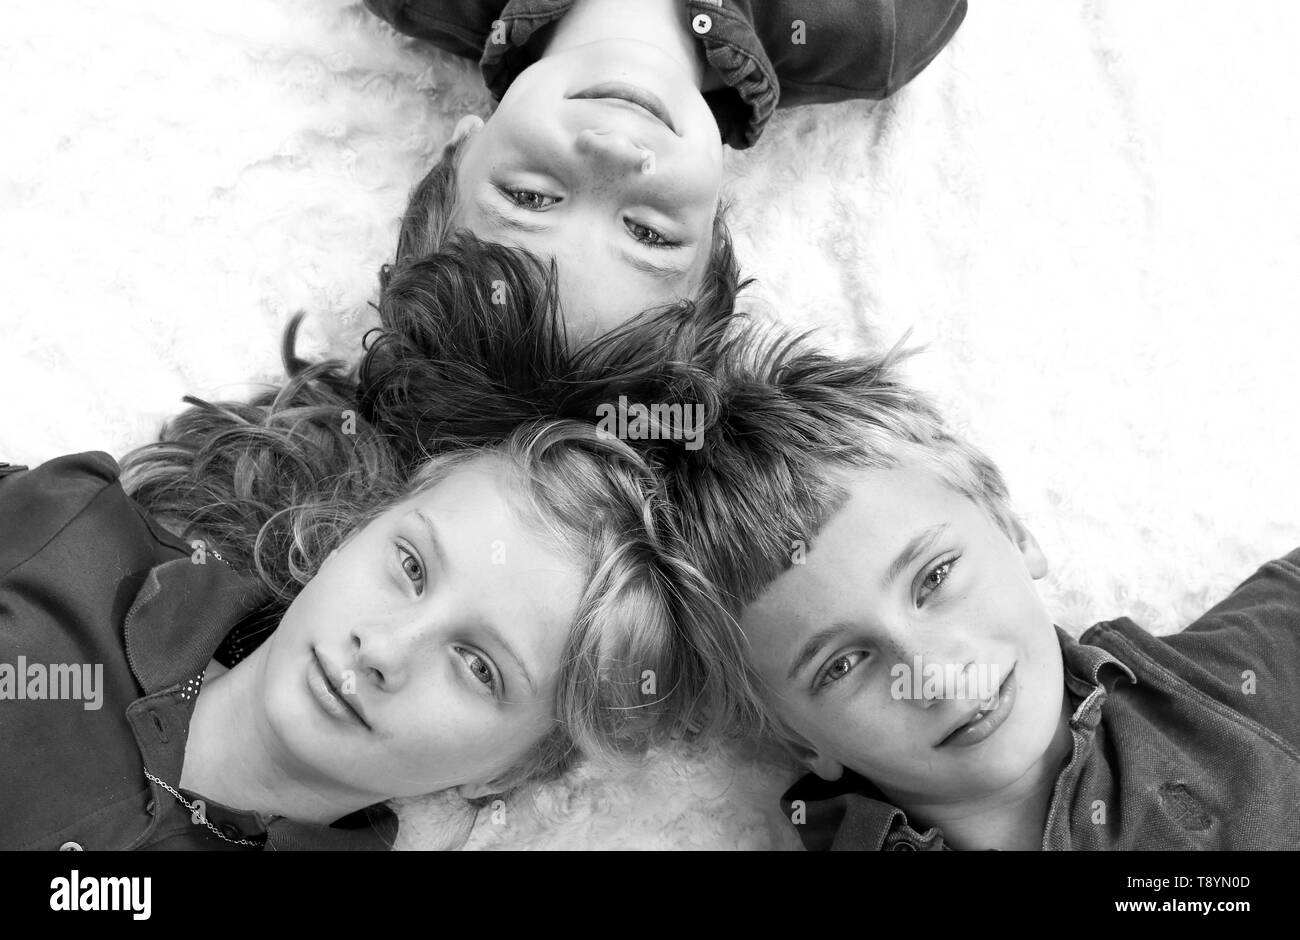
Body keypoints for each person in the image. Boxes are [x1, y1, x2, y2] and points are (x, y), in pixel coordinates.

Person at [0, 257, 738, 851]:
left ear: (508, 769)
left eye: (479, 667)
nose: (384, 647)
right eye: (412, 567)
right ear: (360, 527)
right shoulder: (72, 532)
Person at [652, 326, 1300, 850]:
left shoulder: (1234, 685)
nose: (933, 677)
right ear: (801, 742)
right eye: (843, 664)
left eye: (933, 578)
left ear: (1015, 533)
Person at [366, 0, 967, 337]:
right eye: (648, 233)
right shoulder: (878, 27)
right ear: (715, 232)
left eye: (531, 198)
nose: (616, 152)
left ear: (461, 149)